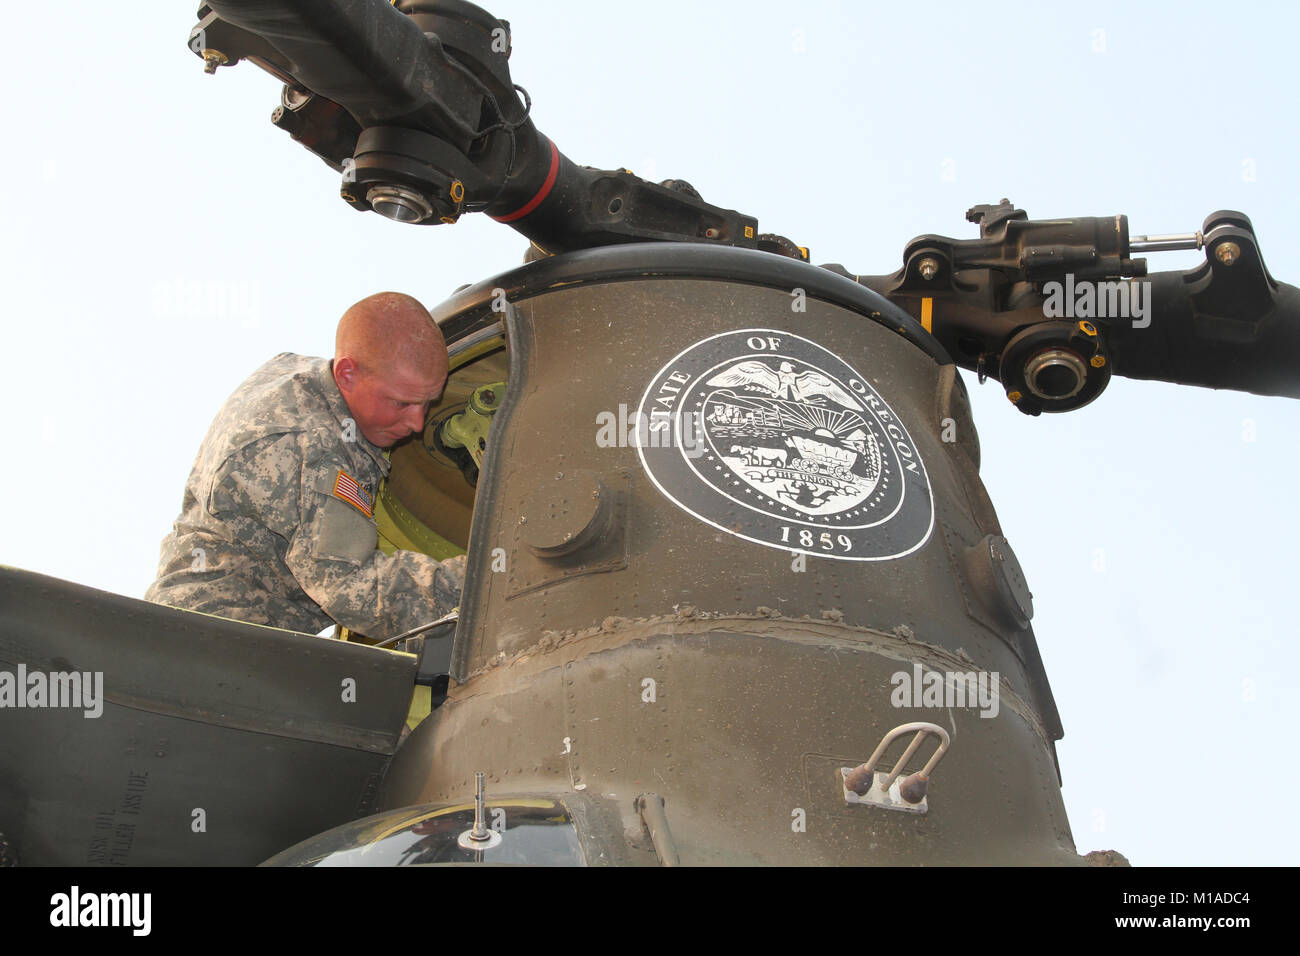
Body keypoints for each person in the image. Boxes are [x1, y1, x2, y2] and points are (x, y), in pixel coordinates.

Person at [144, 292, 465, 641]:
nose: (418, 423)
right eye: (401, 403)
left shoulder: (303, 378)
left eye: (427, 403)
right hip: (216, 641)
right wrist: (480, 582)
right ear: (347, 374)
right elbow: (354, 589)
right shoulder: (310, 446)